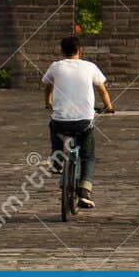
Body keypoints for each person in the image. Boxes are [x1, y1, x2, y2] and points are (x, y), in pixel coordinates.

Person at [42, 34, 113, 209]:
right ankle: (84, 190)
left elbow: (48, 87)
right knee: (88, 156)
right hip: (84, 121)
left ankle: (57, 161)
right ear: (80, 51)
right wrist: (109, 107)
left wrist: (48, 103)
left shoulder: (55, 67)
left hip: (61, 120)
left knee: (54, 125)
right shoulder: (90, 67)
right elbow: (102, 90)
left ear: (62, 51)